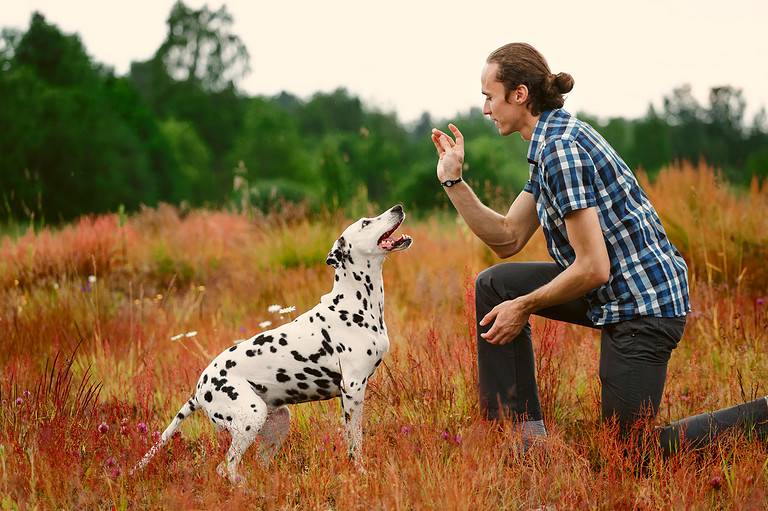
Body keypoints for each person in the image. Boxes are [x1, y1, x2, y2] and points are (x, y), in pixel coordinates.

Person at [431, 42, 768, 453]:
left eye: (489, 97)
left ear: (519, 94)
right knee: (496, 286)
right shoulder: (548, 145)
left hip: (643, 307)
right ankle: (522, 443)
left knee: (628, 455)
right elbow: (507, 238)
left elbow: (593, 268)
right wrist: (454, 182)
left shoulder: (560, 151)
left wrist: (525, 306)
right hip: (612, 292)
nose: (485, 109)